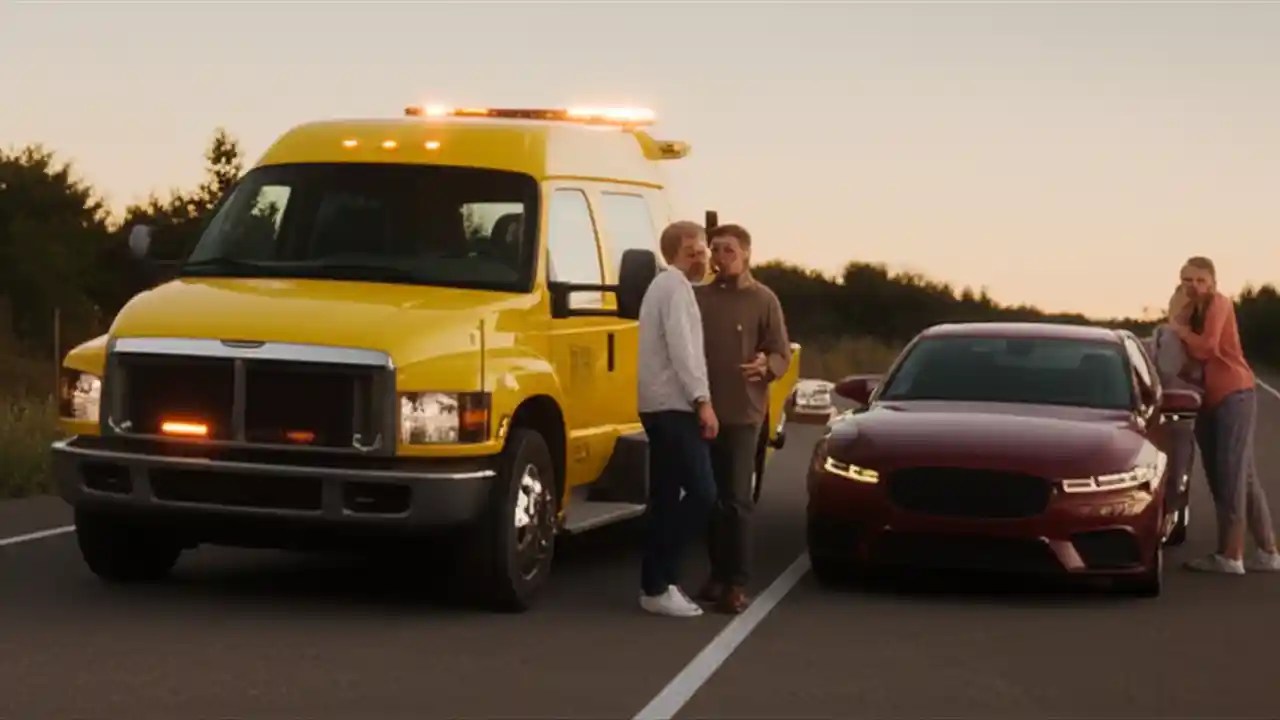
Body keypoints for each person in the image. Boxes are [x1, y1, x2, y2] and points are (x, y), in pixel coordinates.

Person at [693, 223, 791, 613]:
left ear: (747, 253)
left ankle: (736, 582)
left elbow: (780, 351)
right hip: (700, 409)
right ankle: (716, 573)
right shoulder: (698, 298)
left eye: (728, 250)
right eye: (714, 249)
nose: (719, 257)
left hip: (742, 412)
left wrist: (767, 366)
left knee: (736, 500)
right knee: (708, 498)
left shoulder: (763, 299)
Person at [1169, 256, 1280, 574]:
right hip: (1206, 399)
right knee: (1234, 475)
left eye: (1199, 280)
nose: (1193, 286)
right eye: (1186, 280)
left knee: (1232, 474)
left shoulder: (1220, 304)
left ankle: (1231, 555)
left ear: (1213, 283)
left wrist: (1178, 328)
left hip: (1234, 393)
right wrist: (1178, 320)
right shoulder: (1186, 311)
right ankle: (1268, 551)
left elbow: (1207, 348)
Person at [636, 220, 720, 617]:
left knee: (667, 499)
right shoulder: (675, 288)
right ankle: (660, 581)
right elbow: (684, 351)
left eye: (702, 250)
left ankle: (656, 586)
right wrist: (702, 401)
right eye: (695, 251)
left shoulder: (662, 286)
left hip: (660, 405)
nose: (702, 257)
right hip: (674, 407)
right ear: (676, 253)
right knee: (703, 494)